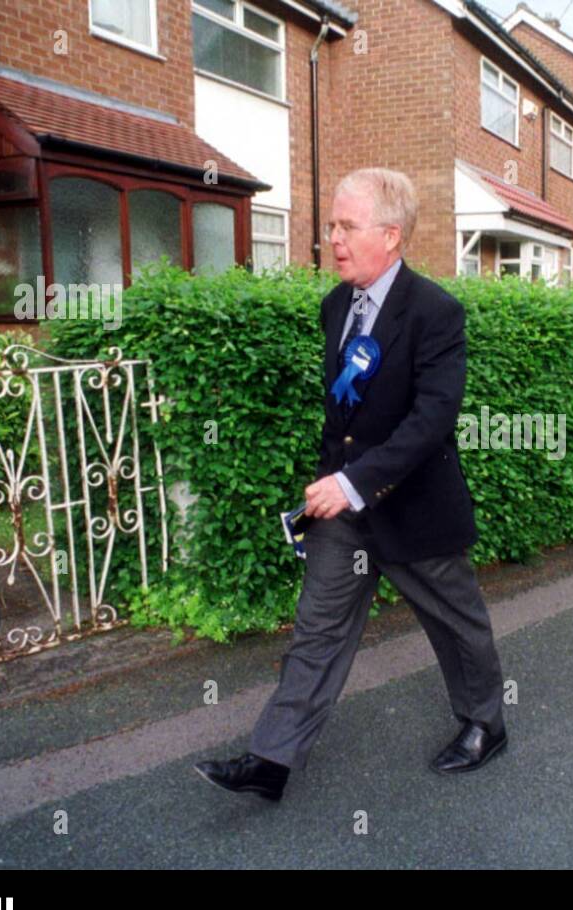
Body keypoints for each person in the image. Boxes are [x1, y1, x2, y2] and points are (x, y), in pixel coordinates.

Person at [195, 168, 507, 802]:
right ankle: (272, 760)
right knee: (319, 628)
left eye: (346, 227)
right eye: (330, 226)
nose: (331, 239)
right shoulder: (335, 305)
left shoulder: (436, 312)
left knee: (455, 622)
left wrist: (355, 481)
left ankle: (485, 724)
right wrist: (327, 483)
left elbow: (432, 420)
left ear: (390, 236)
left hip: (415, 506)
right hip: (344, 507)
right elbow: (342, 414)